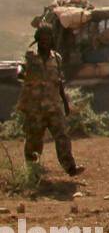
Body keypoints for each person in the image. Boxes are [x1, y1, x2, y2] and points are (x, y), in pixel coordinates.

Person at [17, 26, 83, 177]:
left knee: (62, 136)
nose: (45, 40)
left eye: (48, 37)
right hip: (34, 108)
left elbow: (59, 81)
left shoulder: (57, 58)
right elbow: (20, 68)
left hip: (53, 106)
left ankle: (70, 167)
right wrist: (21, 74)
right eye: (43, 37)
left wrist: (65, 103)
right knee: (34, 139)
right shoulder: (30, 56)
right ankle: (33, 171)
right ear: (38, 38)